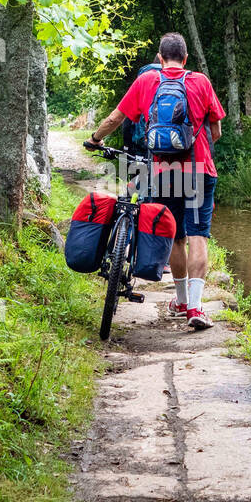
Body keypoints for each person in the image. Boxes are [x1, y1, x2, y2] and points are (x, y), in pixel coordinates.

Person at [88, 32, 225, 330]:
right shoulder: (200, 81)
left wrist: (95, 139)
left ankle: (178, 301)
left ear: (160, 59)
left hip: (163, 174)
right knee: (198, 236)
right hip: (199, 170)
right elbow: (216, 132)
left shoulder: (147, 81)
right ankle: (195, 307)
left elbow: (116, 118)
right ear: (186, 58)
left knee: (175, 237)